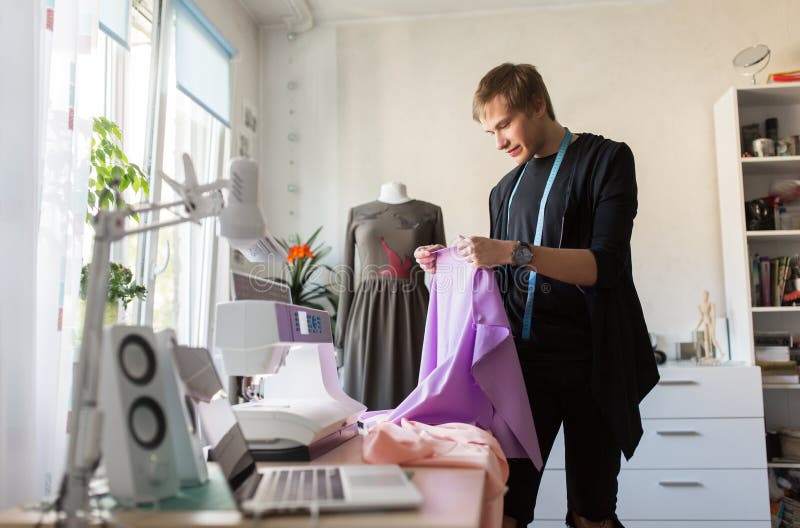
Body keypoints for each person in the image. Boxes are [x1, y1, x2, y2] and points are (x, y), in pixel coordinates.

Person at [414, 63, 659, 528]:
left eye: (504, 124)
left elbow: (604, 265)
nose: (499, 142)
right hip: (522, 373)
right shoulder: (503, 190)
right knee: (505, 509)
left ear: (539, 105)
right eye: (490, 132)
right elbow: (501, 282)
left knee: (592, 512)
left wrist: (513, 251)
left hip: (594, 363)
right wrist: (450, 265)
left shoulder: (607, 159)